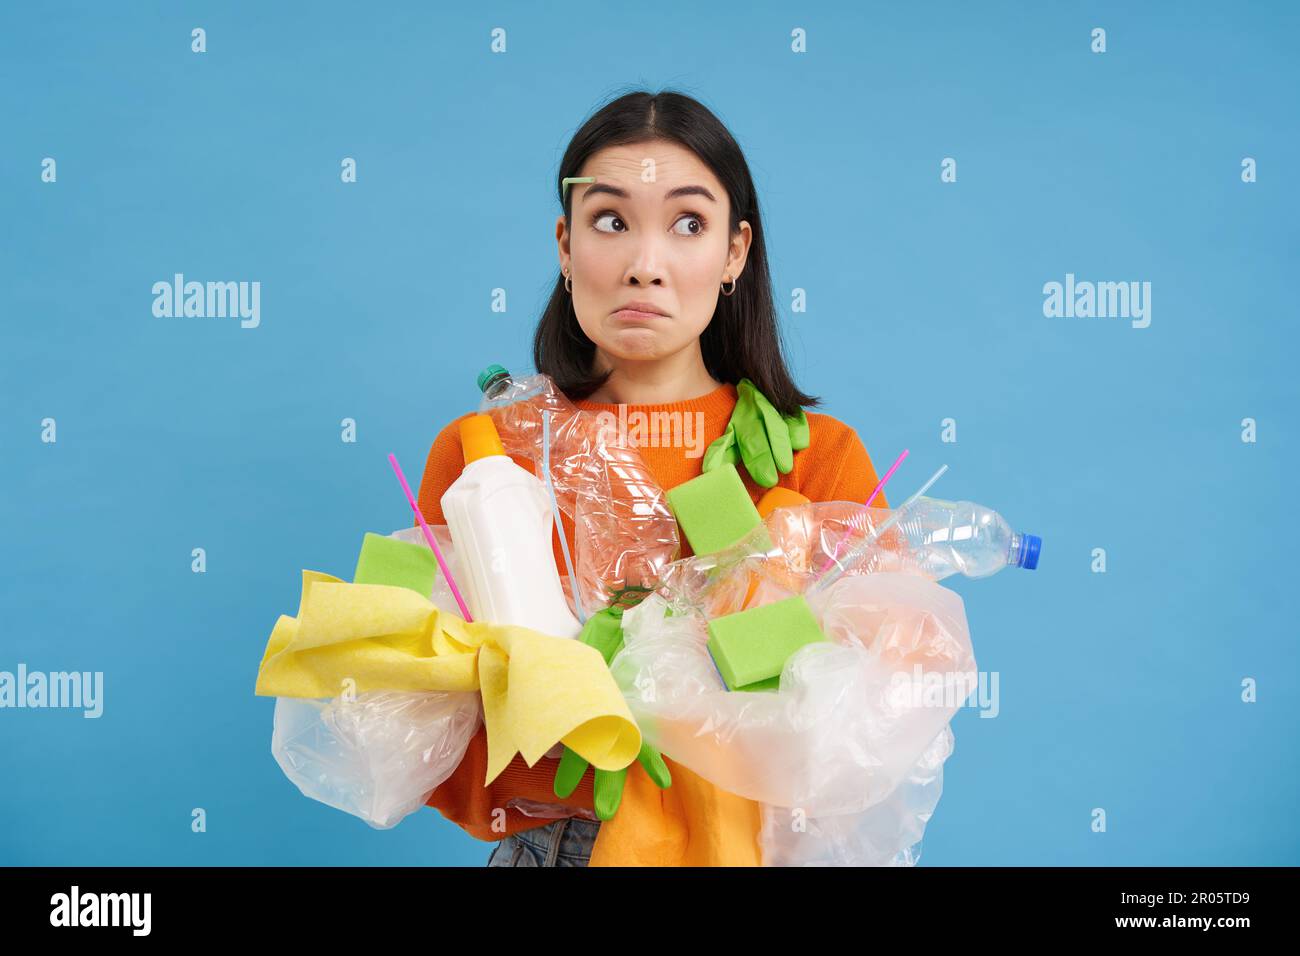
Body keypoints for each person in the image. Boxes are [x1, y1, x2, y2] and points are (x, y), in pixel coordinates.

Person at [414, 88, 888, 867]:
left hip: (754, 844)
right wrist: (568, 719)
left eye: (688, 223)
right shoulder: (488, 453)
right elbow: (432, 716)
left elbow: (871, 711)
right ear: (565, 246)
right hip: (563, 840)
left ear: (734, 254)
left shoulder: (813, 458)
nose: (645, 265)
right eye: (610, 221)